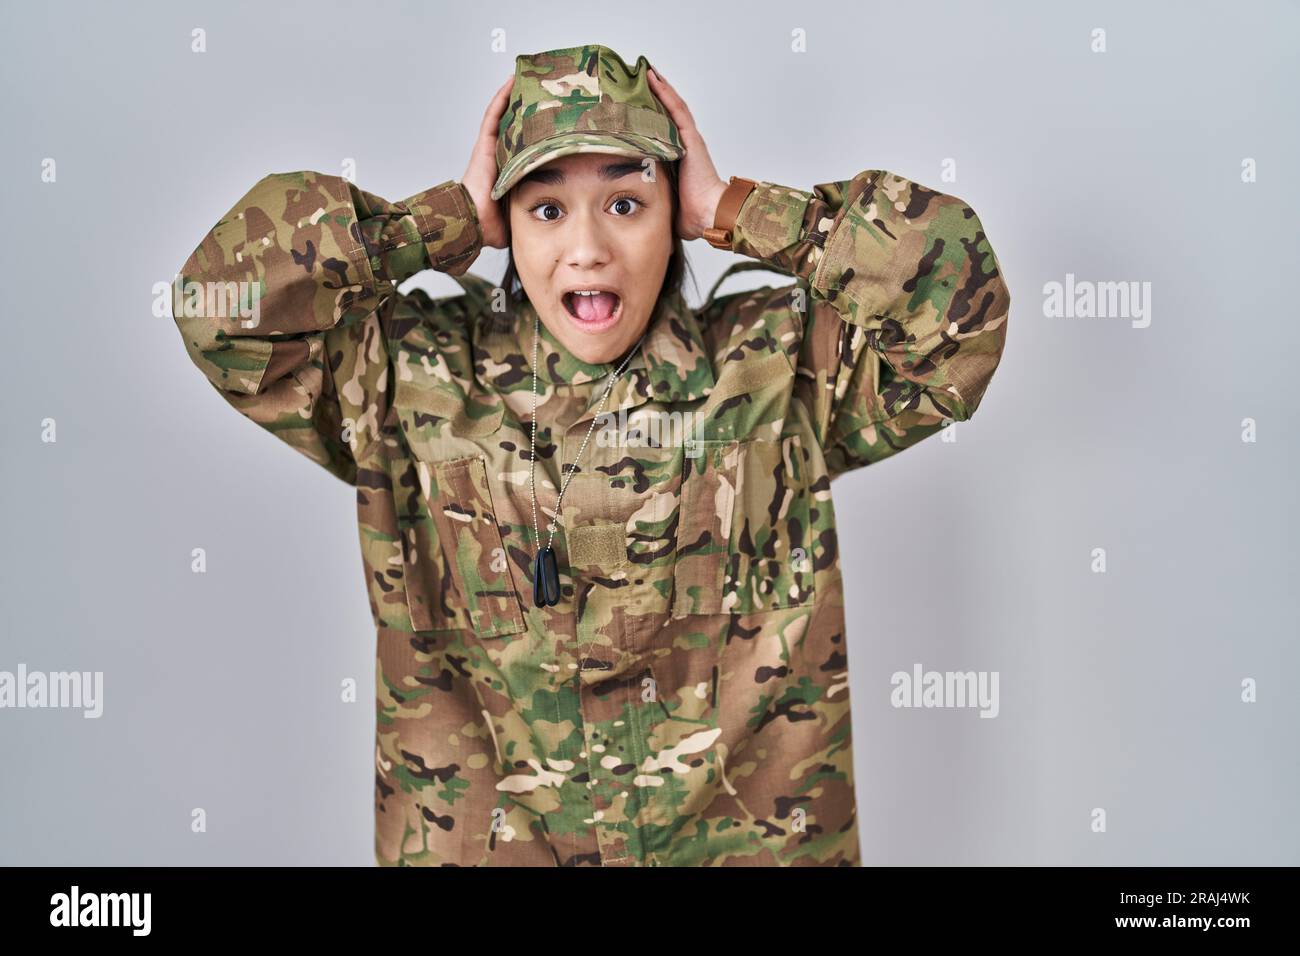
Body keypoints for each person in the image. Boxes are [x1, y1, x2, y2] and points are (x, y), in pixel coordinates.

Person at [171, 43, 1010, 866]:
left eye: (625, 203)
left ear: (672, 218)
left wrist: (735, 208)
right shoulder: (411, 378)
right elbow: (220, 309)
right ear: (506, 227)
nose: (586, 250)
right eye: (544, 209)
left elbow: (961, 318)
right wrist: (440, 223)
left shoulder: (775, 364)